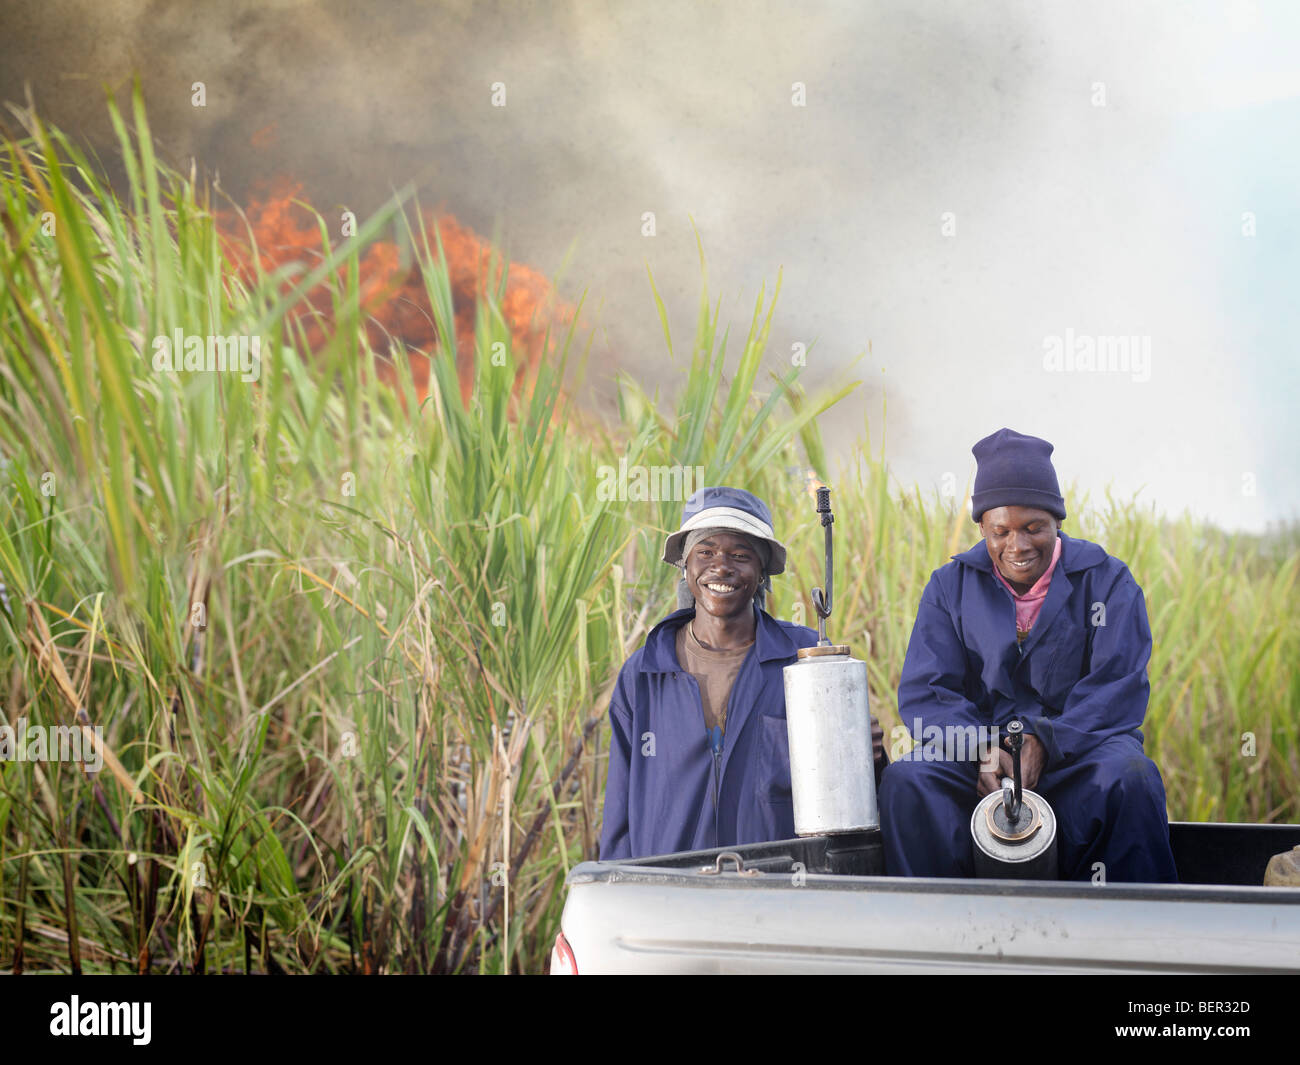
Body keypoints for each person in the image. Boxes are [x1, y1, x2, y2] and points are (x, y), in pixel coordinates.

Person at [877, 428, 1178, 882]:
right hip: (979, 763)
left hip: (1077, 756)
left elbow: (1118, 687)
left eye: (1033, 528)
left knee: (1131, 775)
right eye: (1001, 531)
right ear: (982, 527)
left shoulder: (1108, 581)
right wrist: (981, 748)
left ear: (1057, 520)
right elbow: (927, 693)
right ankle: (935, 934)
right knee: (908, 779)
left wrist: (1046, 741)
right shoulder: (949, 587)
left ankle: (1135, 936)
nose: (1017, 546)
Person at [600, 485, 886, 860]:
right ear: (685, 565)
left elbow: (852, 800)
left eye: (740, 555)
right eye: (705, 552)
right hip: (670, 893)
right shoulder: (645, 672)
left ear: (762, 571)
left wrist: (872, 754)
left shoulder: (806, 663)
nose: (721, 567)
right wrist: (616, 893)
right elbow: (619, 811)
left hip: (779, 891)